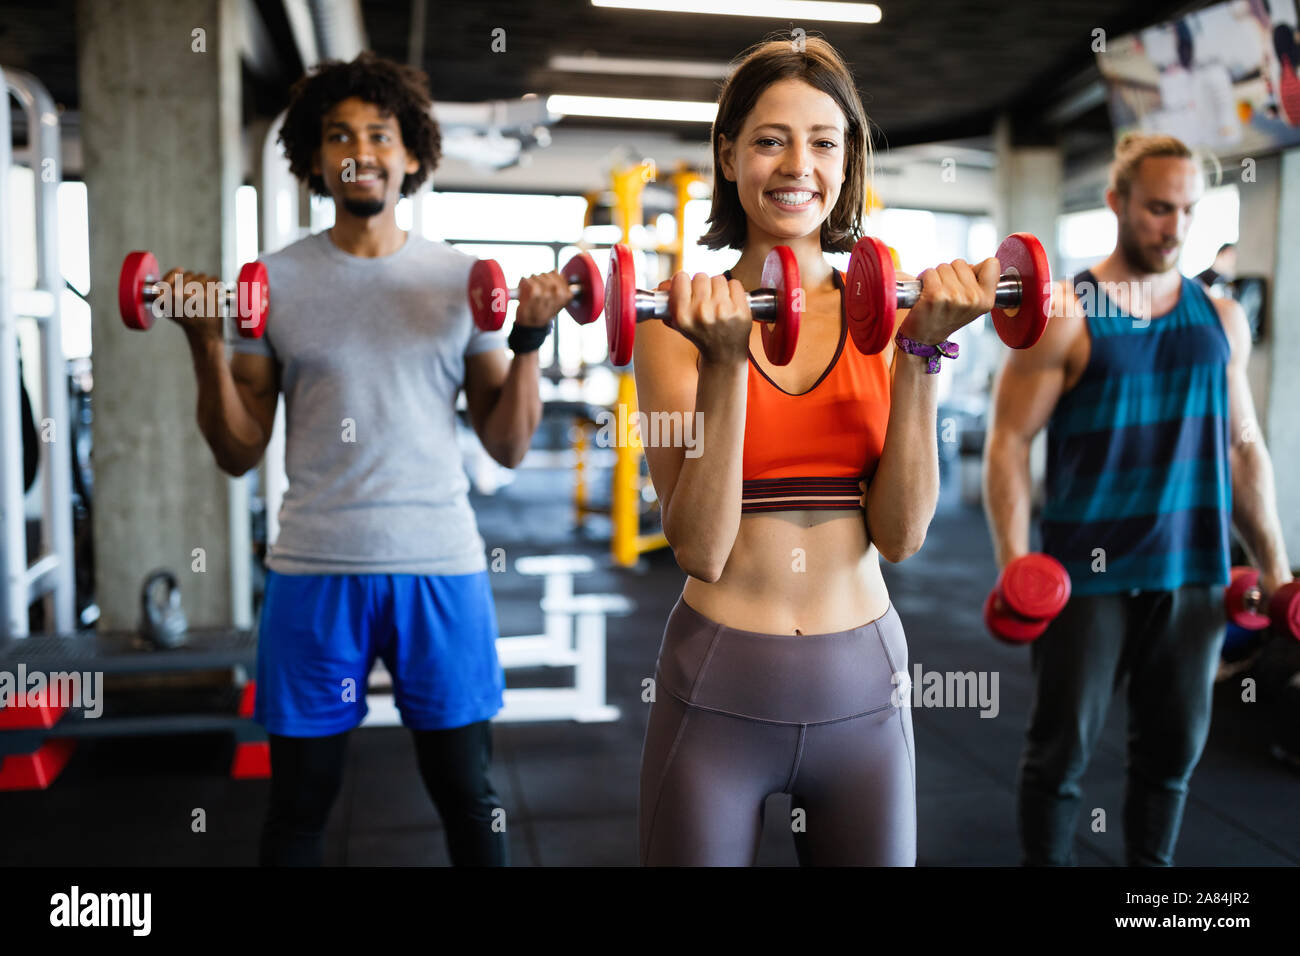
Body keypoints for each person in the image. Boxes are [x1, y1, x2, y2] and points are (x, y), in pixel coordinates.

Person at [162, 52, 573, 866]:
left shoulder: (462, 281)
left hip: (439, 568)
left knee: (469, 800)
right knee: (299, 808)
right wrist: (206, 342)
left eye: (379, 134)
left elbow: (507, 441)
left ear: (411, 154)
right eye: (339, 136)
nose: (360, 151)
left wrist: (528, 340)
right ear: (315, 160)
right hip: (315, 571)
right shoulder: (268, 284)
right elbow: (240, 450)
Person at [633, 35, 1000, 866]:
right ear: (728, 154)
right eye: (770, 139)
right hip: (716, 687)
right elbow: (699, 547)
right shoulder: (673, 331)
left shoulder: (890, 317)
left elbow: (902, 538)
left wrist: (923, 355)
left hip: (864, 686)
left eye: (824, 142)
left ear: (848, 160)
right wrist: (726, 362)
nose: (799, 165)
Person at [984, 132, 1293, 866]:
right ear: (1117, 201)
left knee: (1171, 760)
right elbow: (1007, 441)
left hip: (1194, 577)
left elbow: (1244, 448)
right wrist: (1015, 565)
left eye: (1188, 210)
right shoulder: (1066, 313)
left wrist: (1278, 571)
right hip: (1086, 579)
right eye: (1158, 208)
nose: (1176, 226)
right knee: (1059, 758)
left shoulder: (1221, 321)